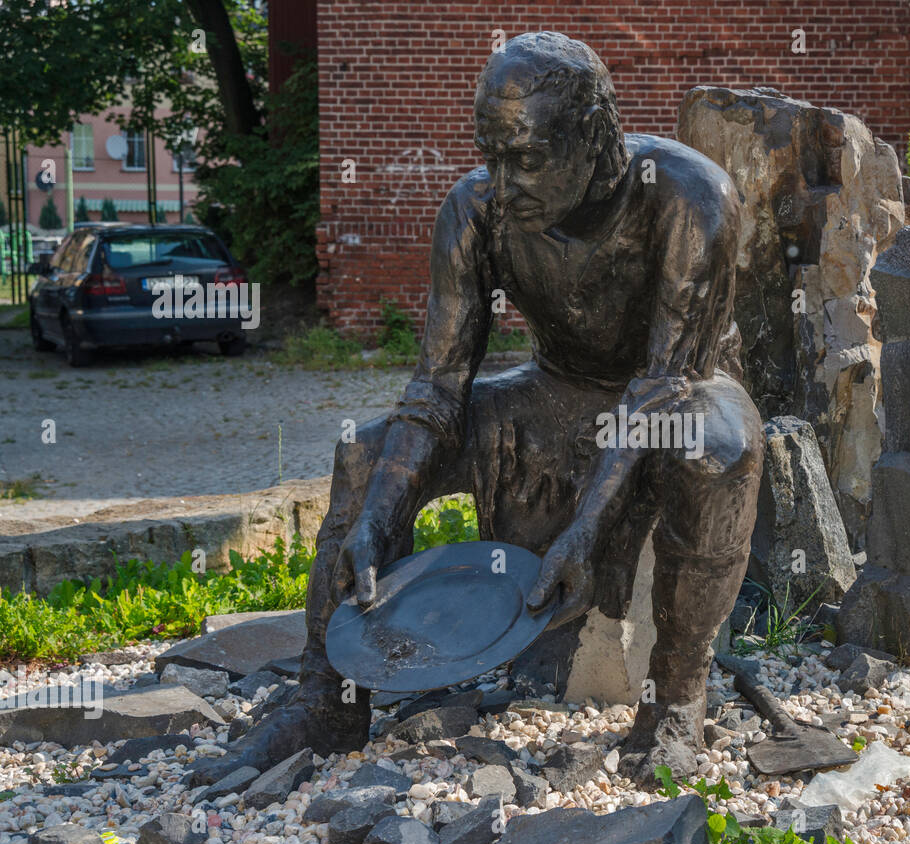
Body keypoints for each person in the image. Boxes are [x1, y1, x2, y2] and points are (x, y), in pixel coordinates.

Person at [193, 31, 762, 788]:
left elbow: (661, 390)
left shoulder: (689, 199)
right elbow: (435, 390)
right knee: (365, 457)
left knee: (720, 450)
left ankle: (676, 706)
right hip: (552, 390)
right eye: (490, 155)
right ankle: (327, 699)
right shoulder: (475, 208)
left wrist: (584, 530)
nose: (501, 181)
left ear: (594, 140)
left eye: (524, 158)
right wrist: (379, 515)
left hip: (679, 393)